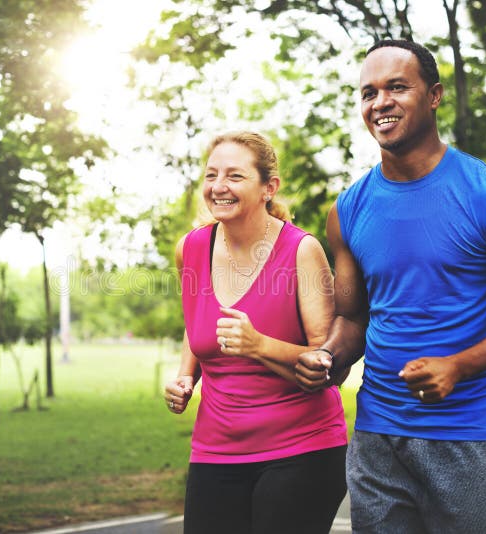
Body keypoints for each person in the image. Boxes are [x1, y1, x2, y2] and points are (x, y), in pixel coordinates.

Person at [295, 39, 486, 533]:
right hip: (378, 438)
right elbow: (353, 318)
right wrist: (328, 358)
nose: (380, 103)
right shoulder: (348, 209)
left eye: (397, 87)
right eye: (368, 92)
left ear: (435, 95)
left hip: (468, 438)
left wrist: (458, 366)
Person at [164, 131, 349, 534]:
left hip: (303, 448)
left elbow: (326, 362)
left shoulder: (302, 250)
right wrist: (184, 377)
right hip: (216, 450)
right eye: (211, 175)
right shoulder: (191, 249)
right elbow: (196, 323)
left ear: (269, 188)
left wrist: (258, 345)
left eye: (234, 176)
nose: (218, 187)